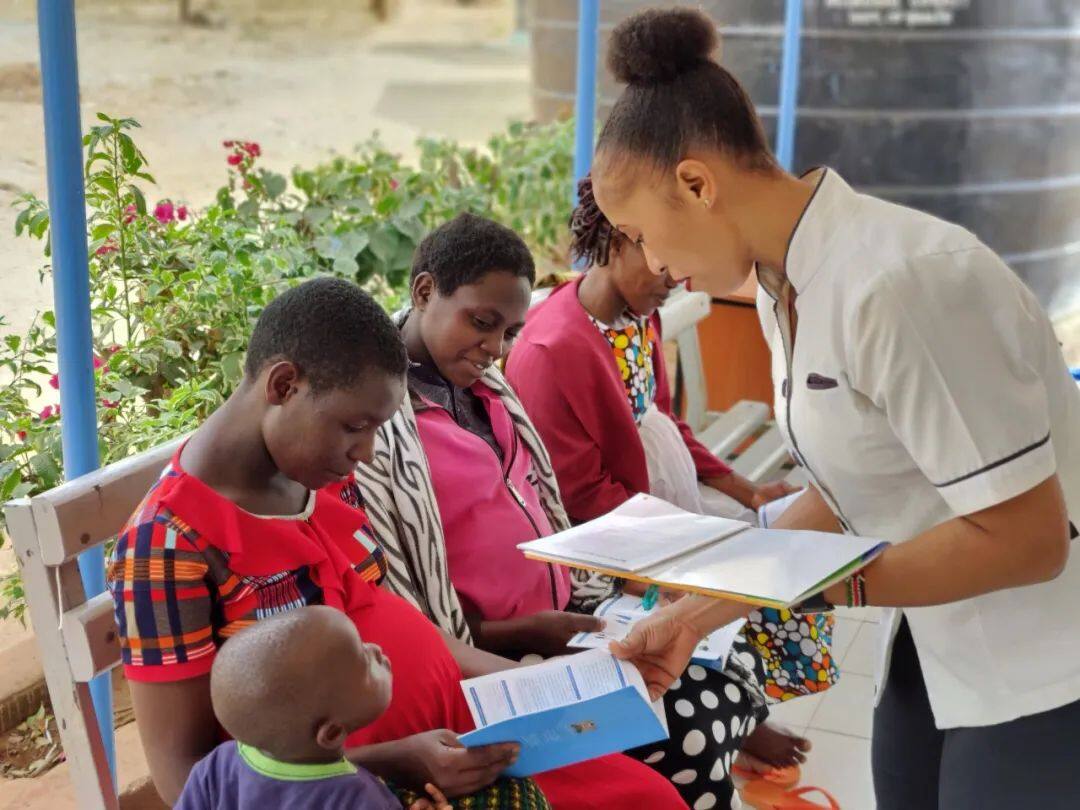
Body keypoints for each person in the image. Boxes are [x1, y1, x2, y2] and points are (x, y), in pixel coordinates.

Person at [583, 8, 1080, 810]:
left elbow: (1029, 539)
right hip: (937, 643)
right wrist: (693, 616)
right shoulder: (792, 290)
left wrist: (817, 590)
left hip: (1044, 665)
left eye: (641, 232)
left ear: (697, 183)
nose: (655, 264)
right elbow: (851, 495)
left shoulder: (901, 284)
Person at [108, 276, 686, 810]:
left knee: (649, 796)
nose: (365, 454)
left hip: (466, 733)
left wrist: (539, 690)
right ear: (284, 385)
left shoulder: (315, 475)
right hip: (362, 789)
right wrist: (393, 762)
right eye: (355, 427)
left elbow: (398, 621)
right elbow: (185, 777)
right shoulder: (169, 543)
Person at [358, 213, 769, 810]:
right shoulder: (382, 429)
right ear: (424, 292)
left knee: (717, 664)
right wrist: (517, 635)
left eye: (508, 332)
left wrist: (599, 599)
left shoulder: (485, 390)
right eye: (482, 323)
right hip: (490, 656)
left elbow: (544, 506)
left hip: (567, 619)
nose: (495, 349)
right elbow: (410, 614)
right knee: (687, 737)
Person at [505, 175, 837, 713]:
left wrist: (746, 490)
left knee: (782, 548)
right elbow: (580, 496)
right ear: (619, 239)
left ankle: (758, 708)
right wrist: (687, 540)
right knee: (745, 574)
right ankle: (745, 712)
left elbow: (664, 419)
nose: (674, 278)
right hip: (613, 527)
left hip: (657, 494)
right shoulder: (553, 350)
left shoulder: (637, 316)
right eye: (661, 259)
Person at [176, 606, 407, 809]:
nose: (375, 648)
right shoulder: (362, 799)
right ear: (333, 732)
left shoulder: (217, 767)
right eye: (364, 662)